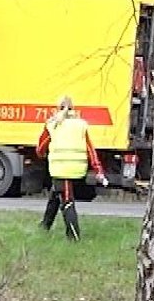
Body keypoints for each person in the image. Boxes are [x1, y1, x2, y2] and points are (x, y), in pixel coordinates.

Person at [37, 96, 106, 239]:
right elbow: (90, 149)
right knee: (55, 195)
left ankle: (74, 236)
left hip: (61, 169)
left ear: (58, 108)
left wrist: (44, 154)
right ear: (73, 109)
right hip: (77, 169)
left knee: (67, 201)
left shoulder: (52, 125)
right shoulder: (80, 125)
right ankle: (44, 227)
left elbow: (40, 149)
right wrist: (98, 170)